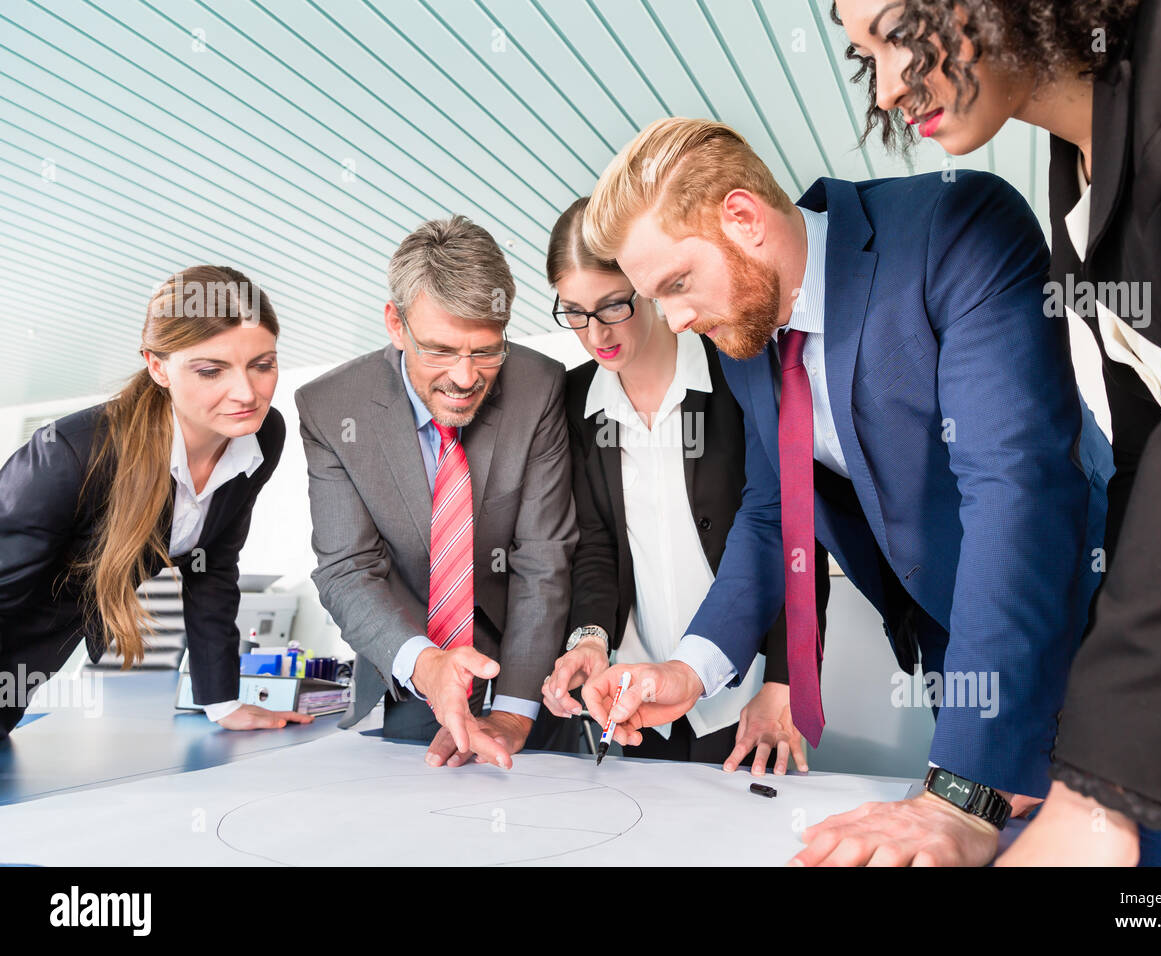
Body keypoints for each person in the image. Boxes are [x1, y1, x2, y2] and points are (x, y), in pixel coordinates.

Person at [829, 0, 1161, 866]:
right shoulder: (1075, 175)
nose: (891, 85)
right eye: (865, 54)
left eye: (899, 32)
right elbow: (1146, 481)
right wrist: (992, 789)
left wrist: (1098, 800)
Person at [580, 117, 1110, 866]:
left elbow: (1015, 493)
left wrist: (964, 789)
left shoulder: (954, 229)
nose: (674, 319)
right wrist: (688, 670)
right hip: (954, 644)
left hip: (1086, 622)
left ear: (742, 217)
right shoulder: (743, 334)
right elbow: (772, 515)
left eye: (676, 284)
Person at [540, 197, 829, 772]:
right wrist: (590, 640)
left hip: (747, 699)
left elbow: (794, 533)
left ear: (648, 285)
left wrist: (785, 679)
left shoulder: (738, 368)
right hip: (634, 698)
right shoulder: (574, 402)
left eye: (612, 306)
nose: (595, 333)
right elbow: (596, 545)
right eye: (573, 312)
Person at [297, 214, 578, 770]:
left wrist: (517, 709)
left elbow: (543, 557)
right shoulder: (331, 408)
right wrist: (424, 665)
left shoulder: (539, 386)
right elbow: (347, 568)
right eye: (440, 351)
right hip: (406, 667)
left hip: (529, 672)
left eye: (486, 351)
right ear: (395, 325)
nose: (466, 377)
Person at [0, 265, 303, 736]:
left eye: (262, 364)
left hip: (29, 668)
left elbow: (213, 565)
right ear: (158, 366)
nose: (247, 393)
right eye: (210, 370)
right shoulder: (71, 454)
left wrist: (221, 701)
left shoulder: (263, 436)